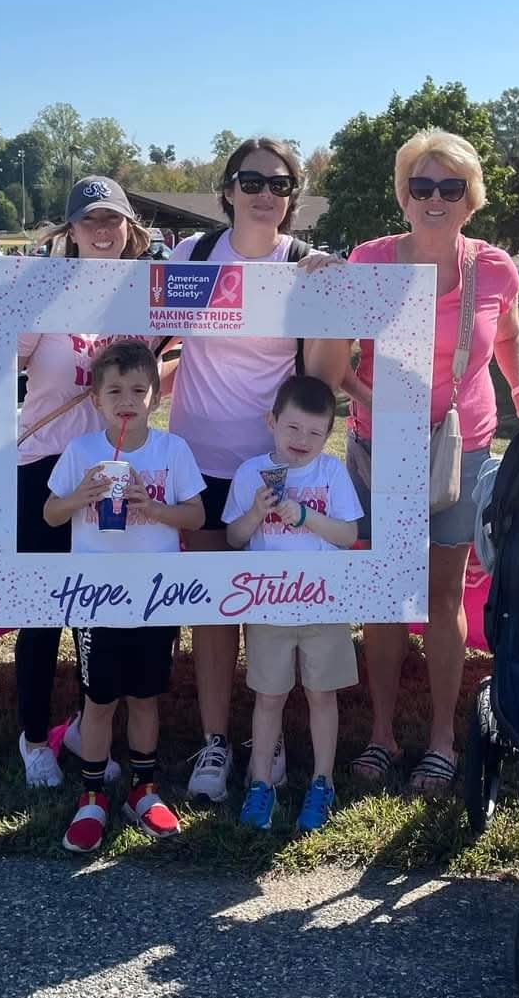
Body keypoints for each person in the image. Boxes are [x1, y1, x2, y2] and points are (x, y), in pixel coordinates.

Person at [340, 129, 519, 795]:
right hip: (381, 445)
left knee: (442, 594)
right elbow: (331, 363)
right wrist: (379, 405)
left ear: (470, 198)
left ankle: (443, 738)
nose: (434, 198)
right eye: (421, 186)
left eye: (448, 187)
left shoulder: (496, 269)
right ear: (402, 196)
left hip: (464, 446)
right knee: (386, 592)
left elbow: (509, 333)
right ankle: (380, 732)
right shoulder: (367, 263)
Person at [0, 175, 159, 788]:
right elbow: (1, 355)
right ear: (69, 231)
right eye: (89, 220)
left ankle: (89, 734)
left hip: (113, 470)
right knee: (42, 612)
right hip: (43, 468)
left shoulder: (143, 297)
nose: (101, 230)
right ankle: (35, 738)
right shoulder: (41, 292)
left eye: (112, 219)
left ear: (129, 229)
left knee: (102, 610)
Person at [166, 138, 351, 802]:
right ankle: (217, 742)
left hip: (274, 469)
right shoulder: (189, 258)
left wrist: (329, 302)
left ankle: (264, 747)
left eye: (278, 184)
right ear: (227, 190)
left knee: (267, 606)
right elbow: (134, 335)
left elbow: (323, 384)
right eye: (252, 180)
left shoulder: (303, 266)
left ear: (292, 200)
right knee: (214, 613)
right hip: (197, 463)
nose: (265, 193)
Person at [44, 341, 206, 852]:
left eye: (139, 389)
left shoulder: (171, 451)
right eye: (114, 391)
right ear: (96, 400)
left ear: (156, 397)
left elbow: (197, 517)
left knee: (145, 696)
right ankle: (92, 796)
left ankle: (144, 789)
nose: (127, 400)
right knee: (99, 699)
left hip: (155, 595)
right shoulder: (82, 453)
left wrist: (152, 506)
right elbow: (50, 513)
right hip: (96, 596)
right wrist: (80, 497)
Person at [222, 376, 363, 832]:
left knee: (322, 695)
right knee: (269, 697)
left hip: (322, 605)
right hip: (268, 607)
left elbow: (348, 537)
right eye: (292, 429)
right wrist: (256, 513)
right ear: (272, 423)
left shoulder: (331, 474)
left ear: (329, 434)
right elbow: (234, 537)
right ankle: (260, 782)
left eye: (314, 433)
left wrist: (305, 515)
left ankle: (322, 782)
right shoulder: (250, 475)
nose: (302, 441)